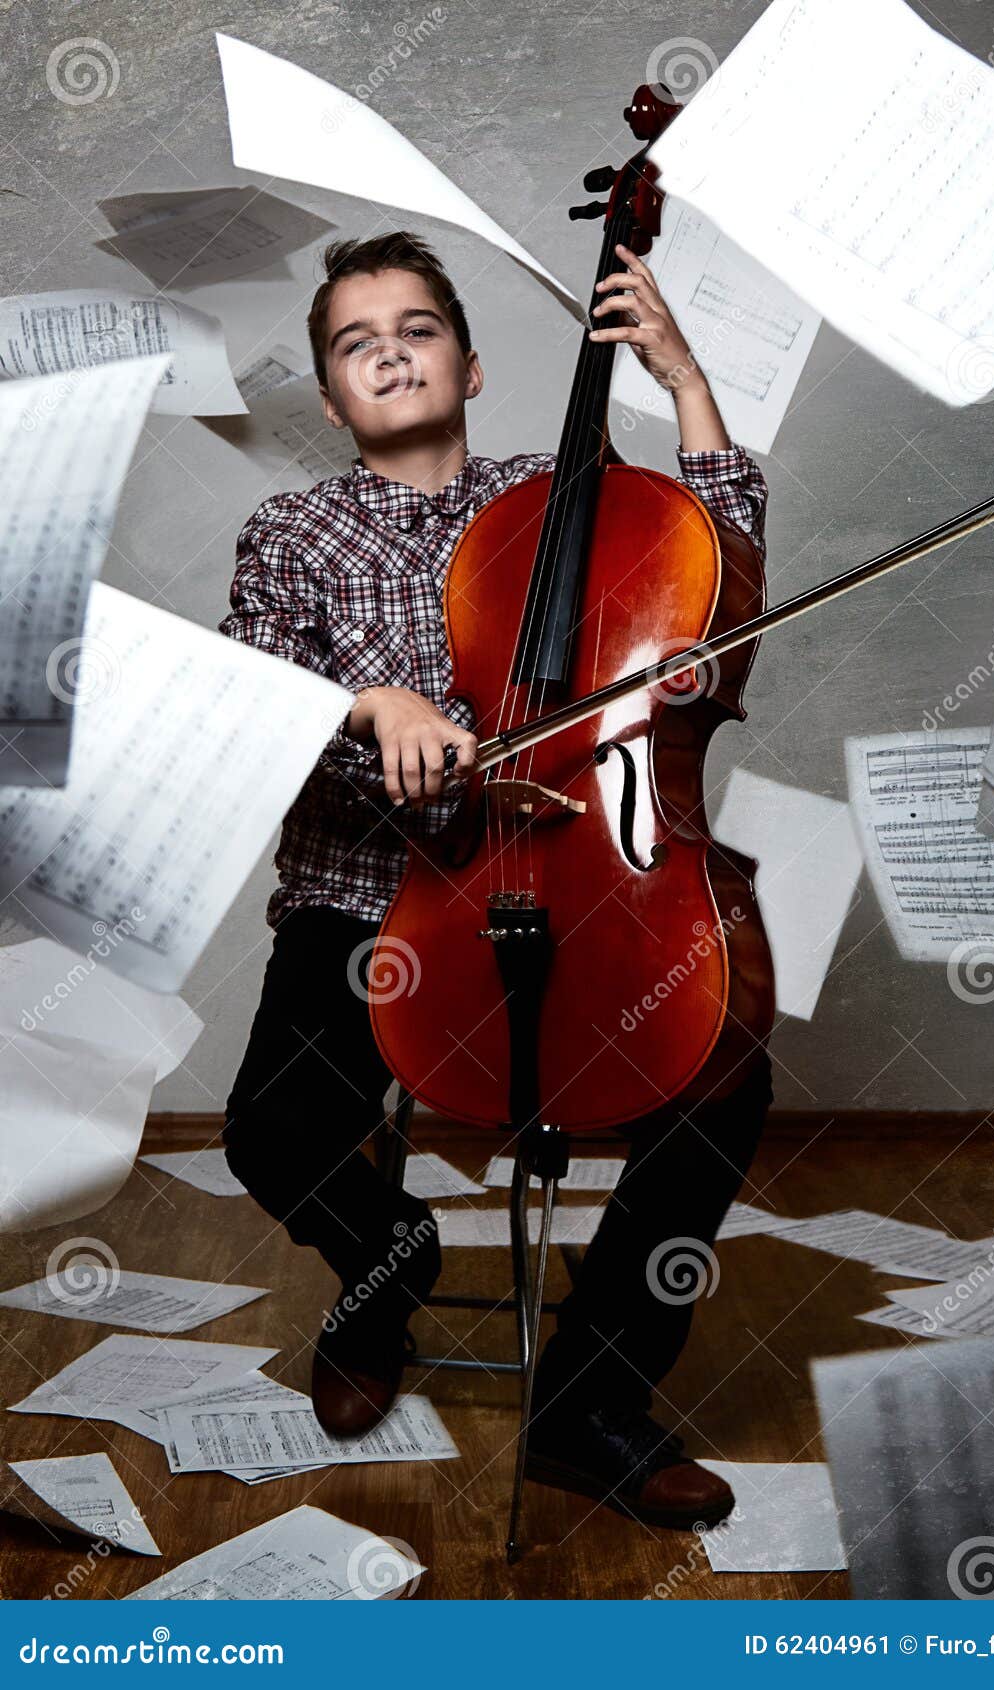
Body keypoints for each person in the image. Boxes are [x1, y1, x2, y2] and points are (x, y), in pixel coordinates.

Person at [219, 230, 773, 1532]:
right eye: (356, 343)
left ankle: (589, 1405)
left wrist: (686, 381)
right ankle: (384, 1266)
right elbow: (248, 706)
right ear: (332, 393)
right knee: (272, 1129)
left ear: (469, 365)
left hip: (583, 886)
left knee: (721, 1083)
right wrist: (370, 705)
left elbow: (717, 582)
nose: (388, 354)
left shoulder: (562, 491)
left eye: (414, 329)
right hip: (368, 904)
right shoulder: (290, 530)